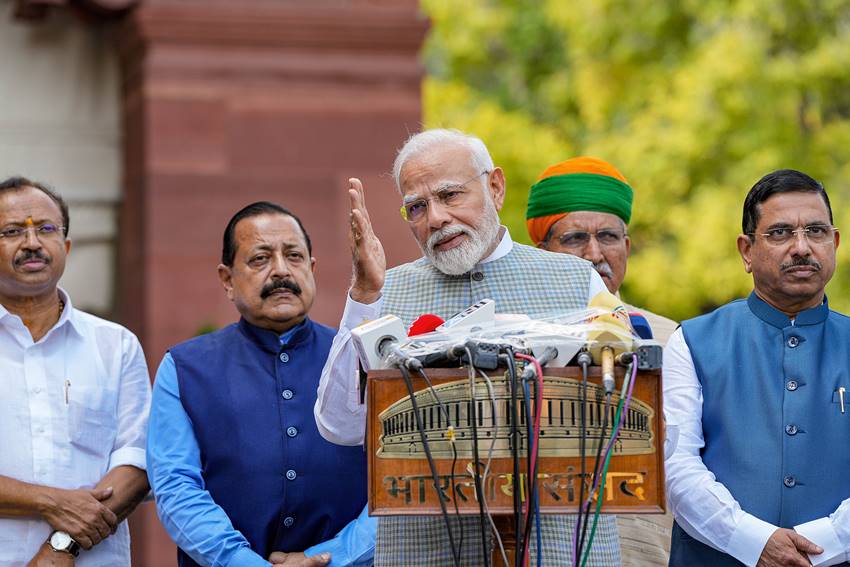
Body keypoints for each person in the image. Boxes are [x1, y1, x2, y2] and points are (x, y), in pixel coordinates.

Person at [315, 129, 621, 566]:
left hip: (561, 550)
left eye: (450, 195)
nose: (436, 218)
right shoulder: (386, 289)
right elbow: (339, 428)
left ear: (495, 188)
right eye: (417, 207)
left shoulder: (575, 279)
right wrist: (364, 296)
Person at [147, 202, 374, 567]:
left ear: (313, 269)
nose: (281, 271)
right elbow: (176, 489)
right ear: (226, 279)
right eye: (260, 259)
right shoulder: (185, 368)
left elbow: (396, 484)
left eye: (295, 256)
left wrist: (332, 558)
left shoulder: (361, 358)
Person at [664, 169, 849, 567]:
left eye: (816, 232)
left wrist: (824, 542)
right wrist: (755, 542)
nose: (802, 247)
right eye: (781, 233)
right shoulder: (692, 342)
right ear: (746, 250)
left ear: (834, 242)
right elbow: (676, 467)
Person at [525, 156, 677, 566]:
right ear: (542, 254)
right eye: (575, 238)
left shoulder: (671, 339)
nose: (595, 253)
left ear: (626, 247)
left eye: (608, 236)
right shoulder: (518, 343)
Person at [0, 176, 151, 567]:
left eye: (46, 229)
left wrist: (61, 548)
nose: (32, 243)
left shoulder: (115, 345)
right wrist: (51, 502)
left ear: (65, 247)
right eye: (12, 231)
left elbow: (138, 460)